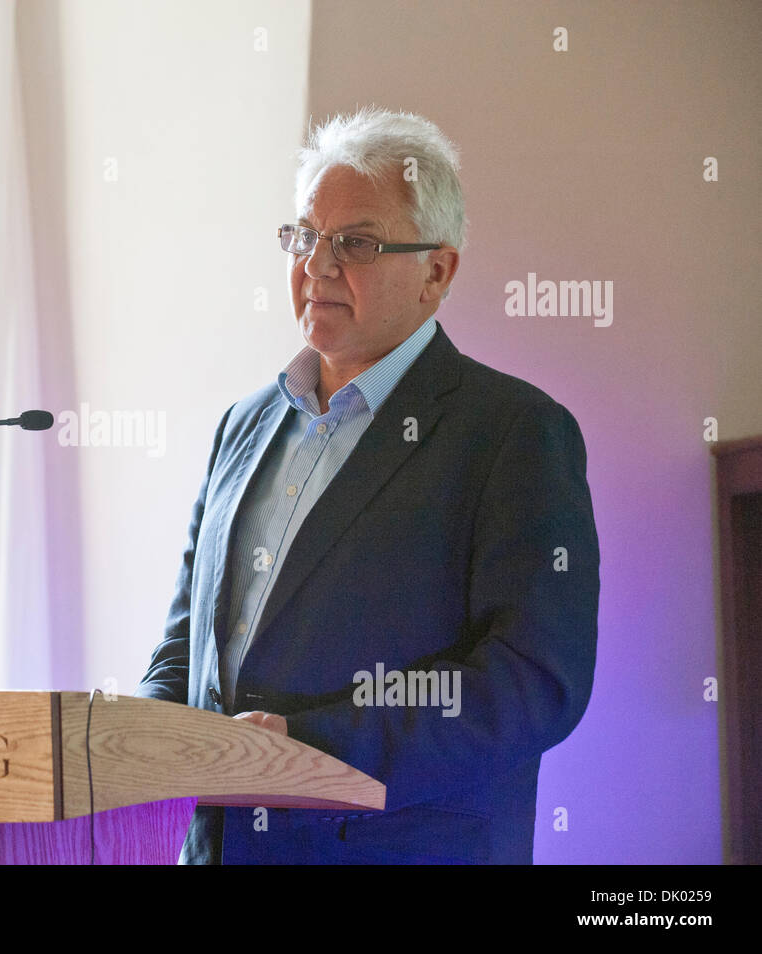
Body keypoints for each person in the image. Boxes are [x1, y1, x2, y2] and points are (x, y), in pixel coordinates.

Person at [135, 106, 600, 864]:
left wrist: (310, 750)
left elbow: (533, 681)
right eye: (303, 236)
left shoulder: (513, 433)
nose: (316, 264)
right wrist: (140, 737)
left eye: (354, 242)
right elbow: (189, 642)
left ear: (437, 272)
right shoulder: (242, 425)